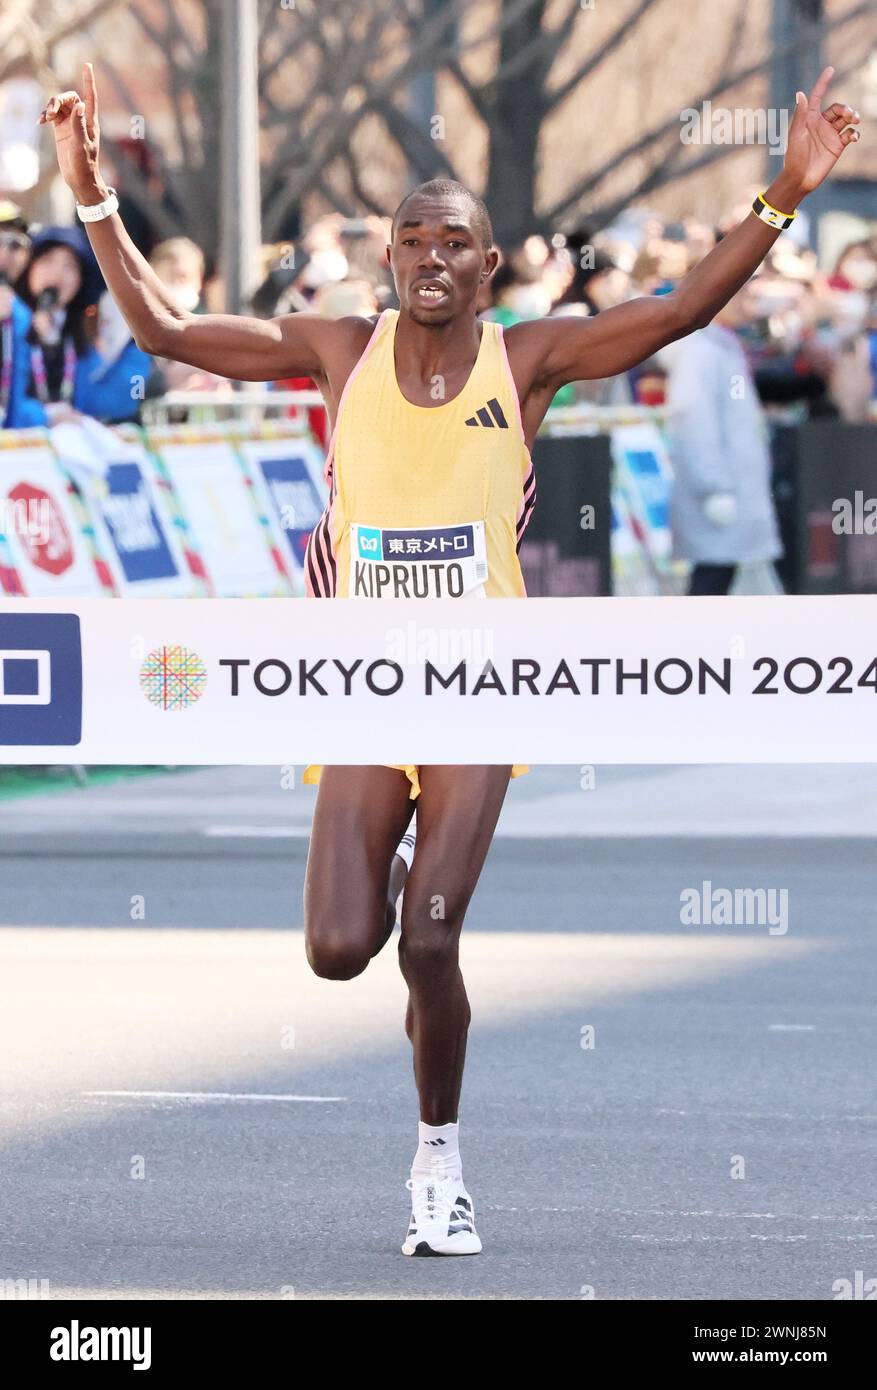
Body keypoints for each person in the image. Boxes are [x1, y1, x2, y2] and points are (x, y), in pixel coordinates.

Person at [41, 60, 861, 1256]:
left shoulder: (524, 361)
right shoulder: (336, 348)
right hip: (366, 684)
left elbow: (679, 308)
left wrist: (786, 189)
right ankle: (399, 849)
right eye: (411, 240)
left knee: (430, 935)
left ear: (487, 265)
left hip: (478, 682)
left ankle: (439, 1160)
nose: (431, 257)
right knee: (337, 950)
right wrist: (94, 197)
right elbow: (164, 329)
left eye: (454, 243)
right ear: (389, 262)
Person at [664, 280, 783, 595]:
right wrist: (713, 487)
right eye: (742, 291)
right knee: (711, 581)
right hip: (718, 496)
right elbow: (692, 421)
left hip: (735, 492)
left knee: (723, 578)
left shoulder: (725, 347)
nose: (750, 301)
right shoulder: (700, 351)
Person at [0, 202, 44, 429]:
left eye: (16, 244)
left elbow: (19, 391)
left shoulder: (22, 313)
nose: (6, 253)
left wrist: (44, 416)